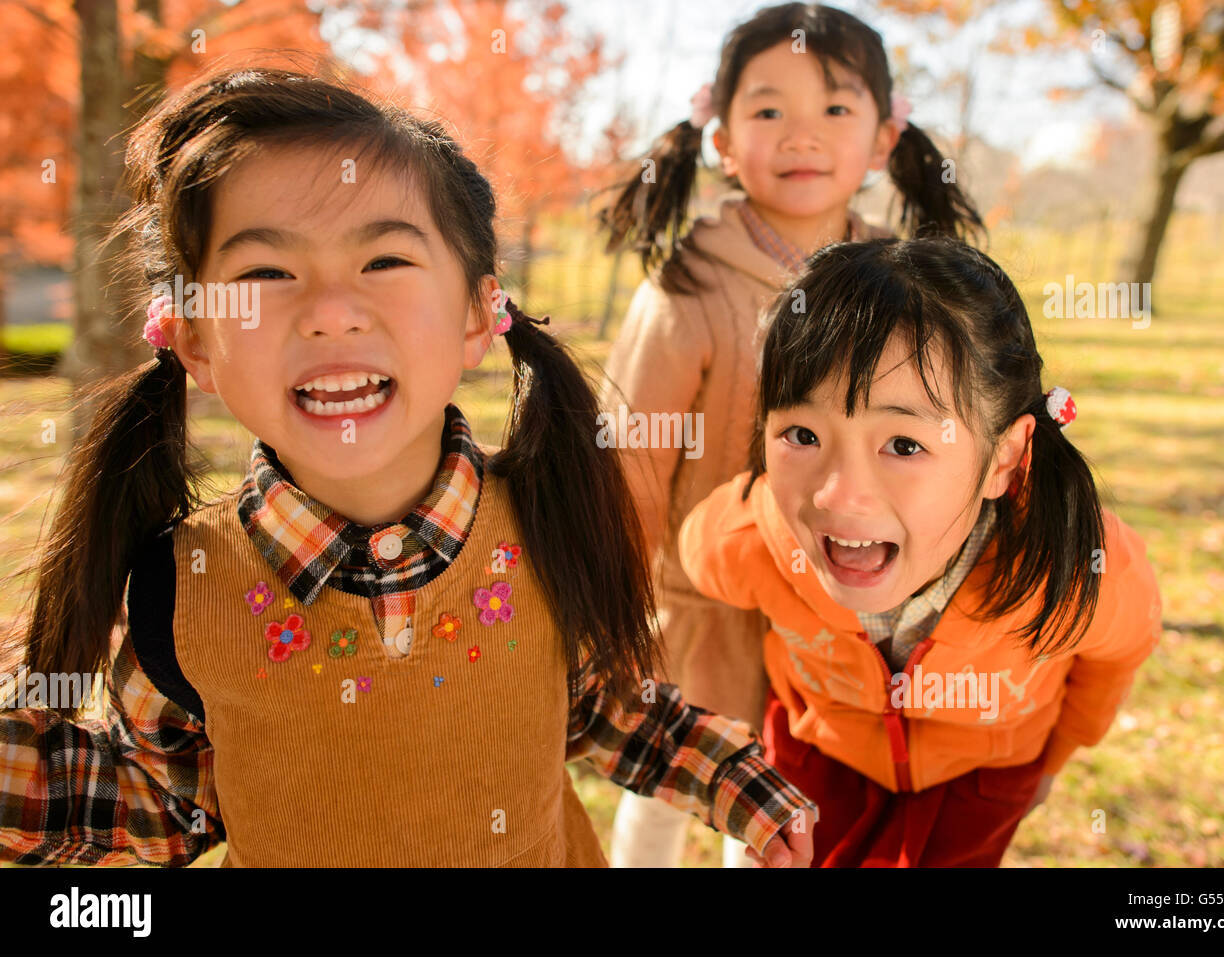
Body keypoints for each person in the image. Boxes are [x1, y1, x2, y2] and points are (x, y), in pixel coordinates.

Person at [0, 66, 817, 868]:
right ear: (196, 341)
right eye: (265, 274)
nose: (330, 312)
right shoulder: (181, 591)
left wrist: (738, 779)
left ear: (477, 312)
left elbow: (609, 709)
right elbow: (164, 806)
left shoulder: (546, 522)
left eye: (384, 261)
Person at [599, 1, 983, 867]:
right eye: (769, 110)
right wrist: (616, 600)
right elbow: (630, 457)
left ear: (884, 138)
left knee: (784, 803)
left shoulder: (903, 285)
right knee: (667, 791)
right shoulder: (689, 287)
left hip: (835, 605)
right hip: (703, 604)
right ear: (724, 139)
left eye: (835, 110)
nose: (802, 135)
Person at [678, 236, 1162, 867]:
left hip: (983, 777)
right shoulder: (750, 540)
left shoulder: (1076, 566)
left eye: (904, 445)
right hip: (821, 758)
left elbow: (1119, 652)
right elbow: (697, 556)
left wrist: (1058, 756)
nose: (839, 496)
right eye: (802, 434)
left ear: (1005, 458)